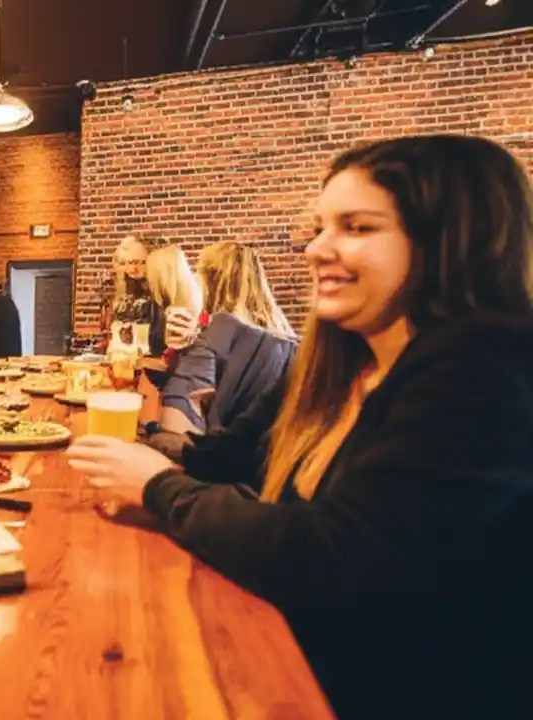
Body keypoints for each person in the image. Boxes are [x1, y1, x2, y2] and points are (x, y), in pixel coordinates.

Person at [67, 135, 533, 719]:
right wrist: (136, 449)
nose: (316, 249)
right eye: (320, 227)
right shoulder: (344, 363)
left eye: (356, 228)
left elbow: (331, 558)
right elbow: (229, 457)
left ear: (449, 240)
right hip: (298, 657)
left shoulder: (485, 374)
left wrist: (160, 488)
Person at [154, 242, 295, 436]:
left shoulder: (220, 331)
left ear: (209, 280)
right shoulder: (283, 333)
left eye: (198, 273)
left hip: (218, 456)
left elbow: (177, 419)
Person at [99, 236, 164, 355]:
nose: (133, 269)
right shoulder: (121, 292)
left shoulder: (159, 295)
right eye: (128, 263)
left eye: (140, 263)